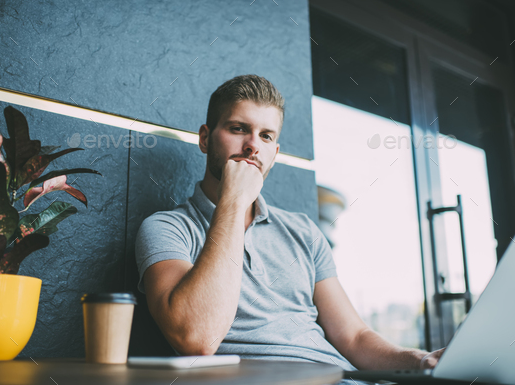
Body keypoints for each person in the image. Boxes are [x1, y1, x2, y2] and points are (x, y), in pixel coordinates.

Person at [135, 74, 445, 381]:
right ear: (205, 138)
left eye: (266, 136)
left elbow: (354, 337)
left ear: (275, 154)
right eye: (238, 128)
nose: (253, 146)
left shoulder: (303, 231)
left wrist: (420, 361)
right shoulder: (168, 228)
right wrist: (233, 201)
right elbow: (196, 338)